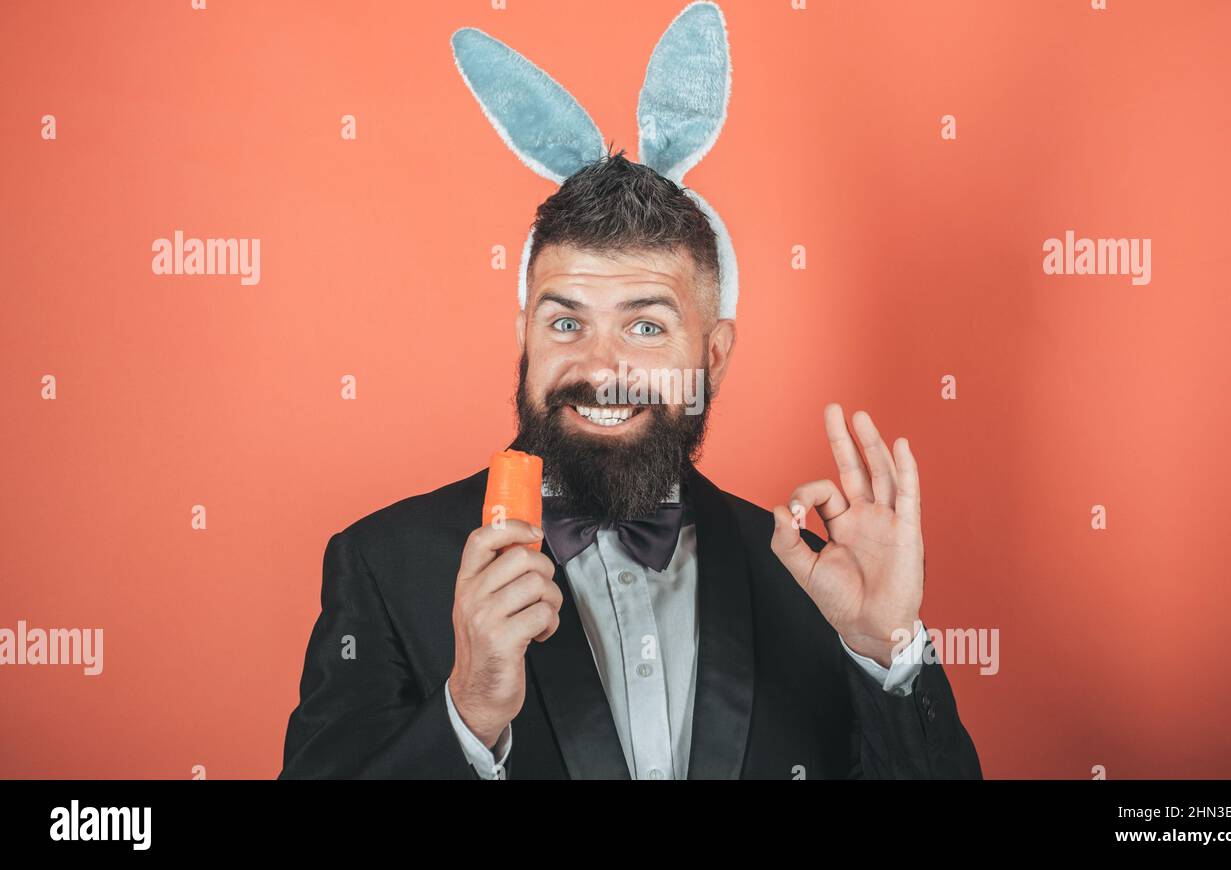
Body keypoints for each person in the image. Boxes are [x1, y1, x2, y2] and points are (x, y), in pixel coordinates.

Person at [279, 153, 981, 779]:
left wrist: (885, 651)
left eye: (645, 327)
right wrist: (468, 715)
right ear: (525, 340)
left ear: (712, 357)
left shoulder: (816, 587)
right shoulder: (384, 565)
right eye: (566, 323)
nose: (600, 368)